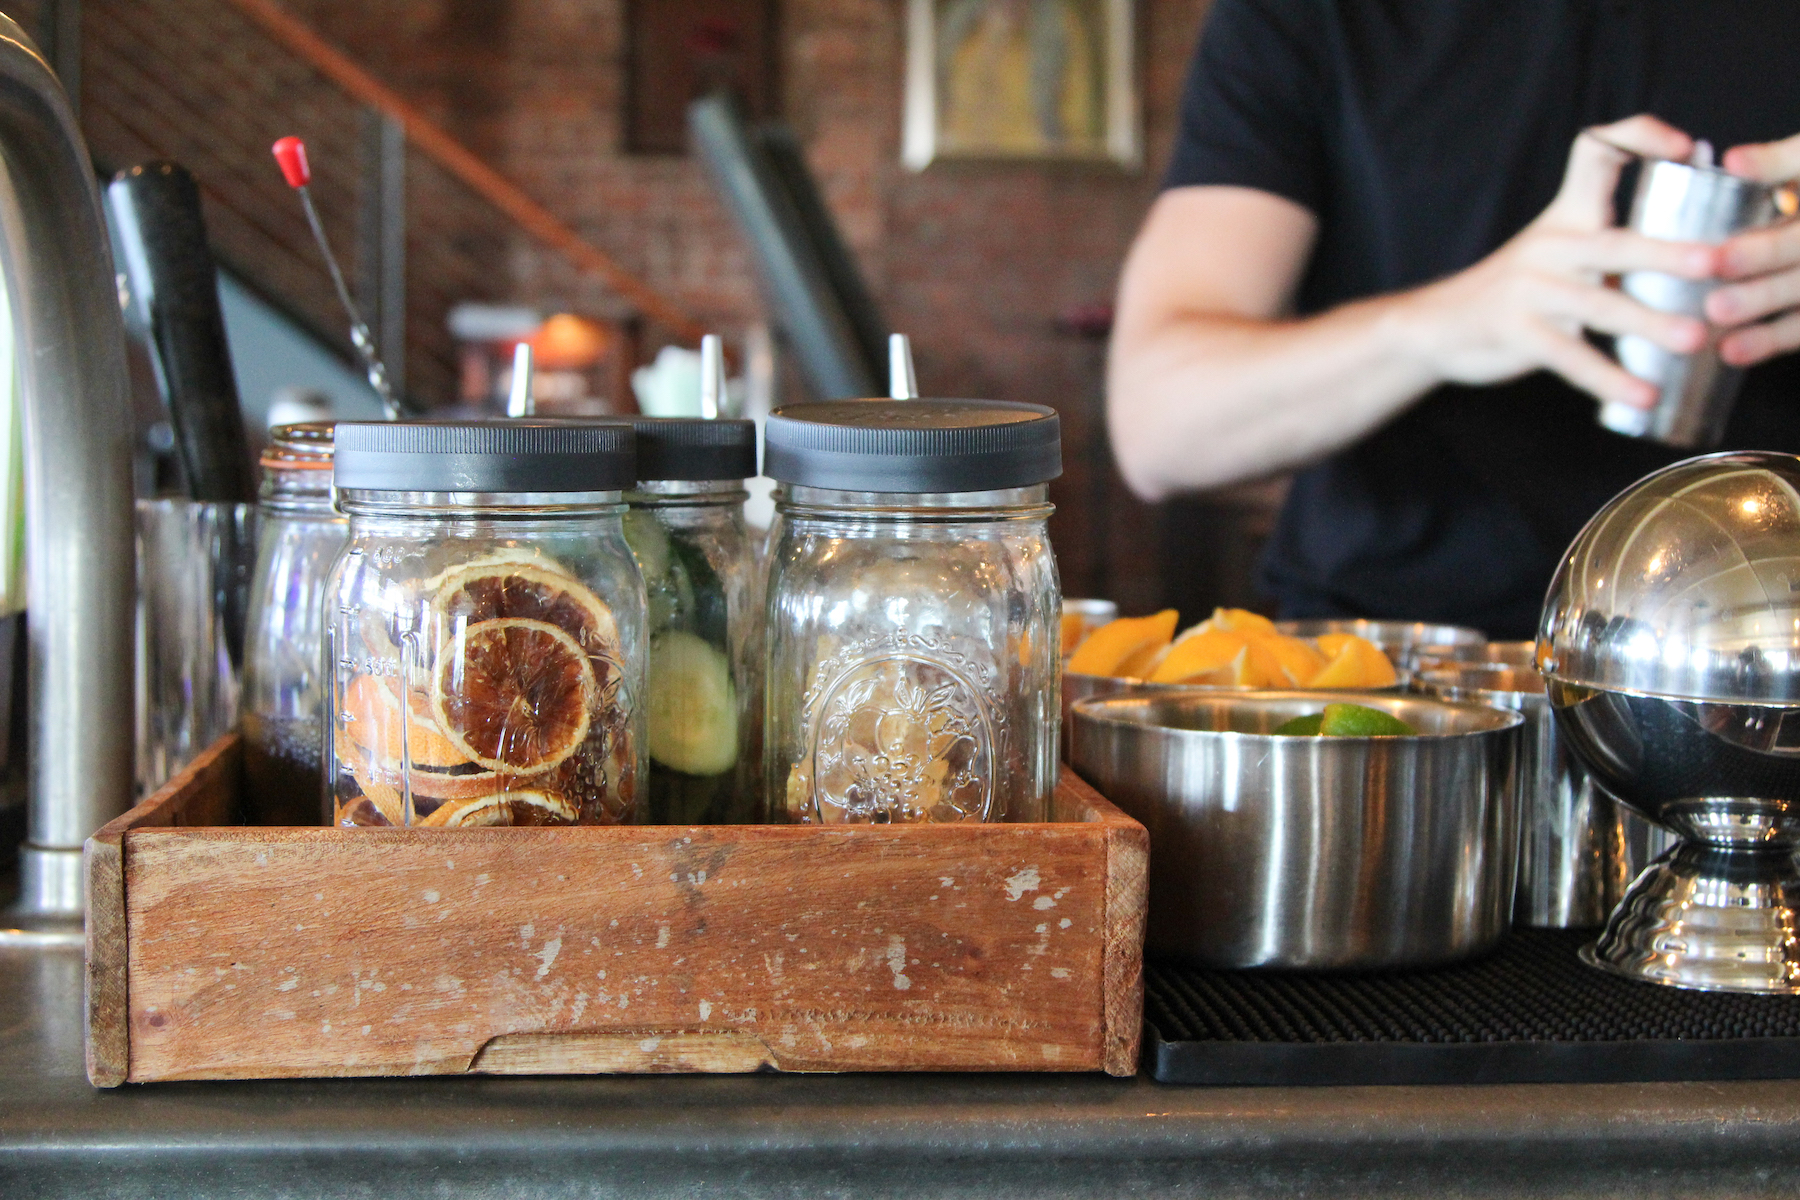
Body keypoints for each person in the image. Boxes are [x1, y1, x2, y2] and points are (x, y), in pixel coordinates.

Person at [1108, 1, 1800, 637]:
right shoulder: (1307, 15)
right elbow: (1159, 424)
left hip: (1764, 656)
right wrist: (1452, 323)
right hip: (1400, 682)